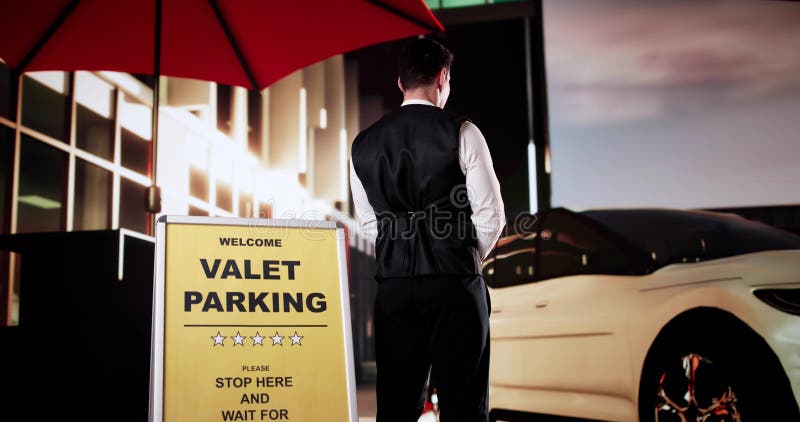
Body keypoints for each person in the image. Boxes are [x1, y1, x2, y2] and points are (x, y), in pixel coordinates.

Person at [349, 36, 506, 422]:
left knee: (396, 410)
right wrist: (462, 255)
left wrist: (402, 251)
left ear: (399, 83)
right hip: (455, 285)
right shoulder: (463, 132)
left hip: (394, 289)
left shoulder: (362, 145)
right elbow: (491, 216)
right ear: (442, 78)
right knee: (465, 409)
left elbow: (369, 223)